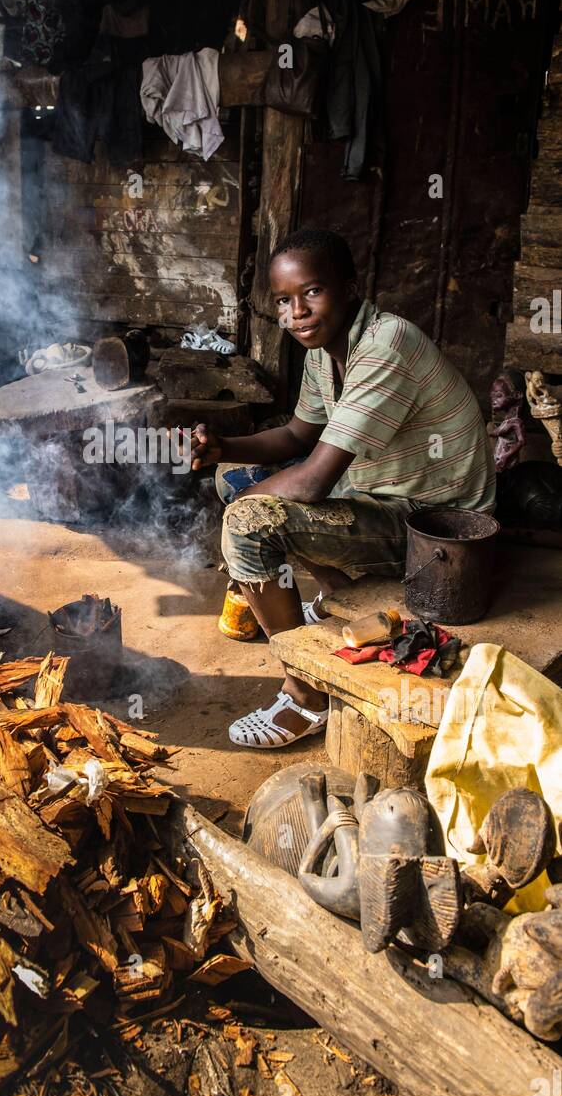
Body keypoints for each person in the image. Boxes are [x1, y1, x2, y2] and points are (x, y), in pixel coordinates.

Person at [191, 227, 495, 750]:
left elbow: (312, 480)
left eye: (312, 292)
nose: (298, 312)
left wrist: (242, 510)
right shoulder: (324, 353)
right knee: (234, 479)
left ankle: (305, 696)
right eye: (284, 301)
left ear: (350, 288)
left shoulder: (385, 344)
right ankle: (341, 592)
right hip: (383, 496)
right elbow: (294, 435)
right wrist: (222, 447)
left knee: (246, 521)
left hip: (436, 527)